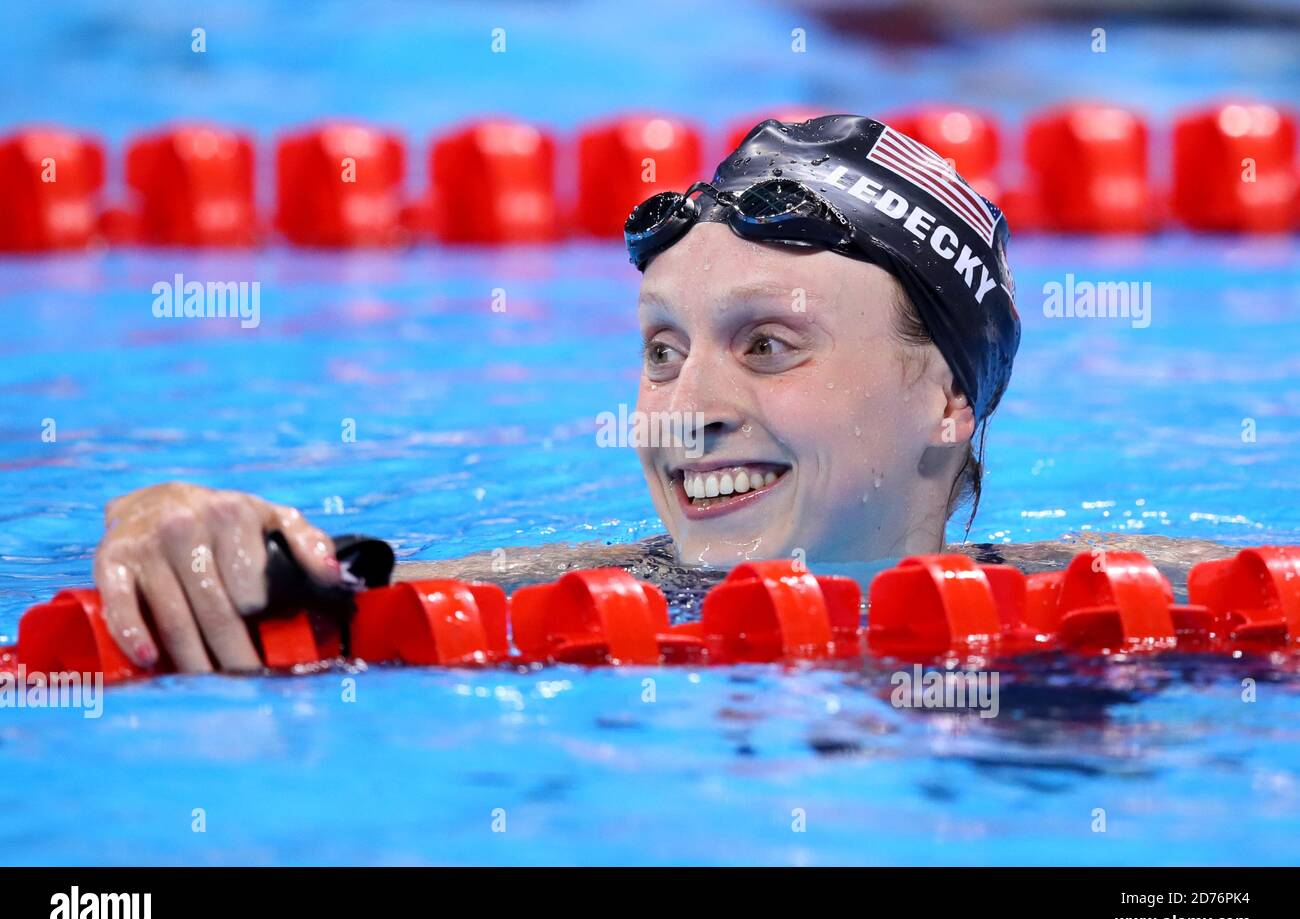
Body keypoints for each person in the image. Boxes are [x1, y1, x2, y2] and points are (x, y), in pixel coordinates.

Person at [91, 115, 1231, 673]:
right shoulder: (561, 601)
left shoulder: (1125, 619)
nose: (687, 405)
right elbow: (302, 577)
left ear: (946, 400)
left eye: (769, 344)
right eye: (662, 350)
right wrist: (180, 524)